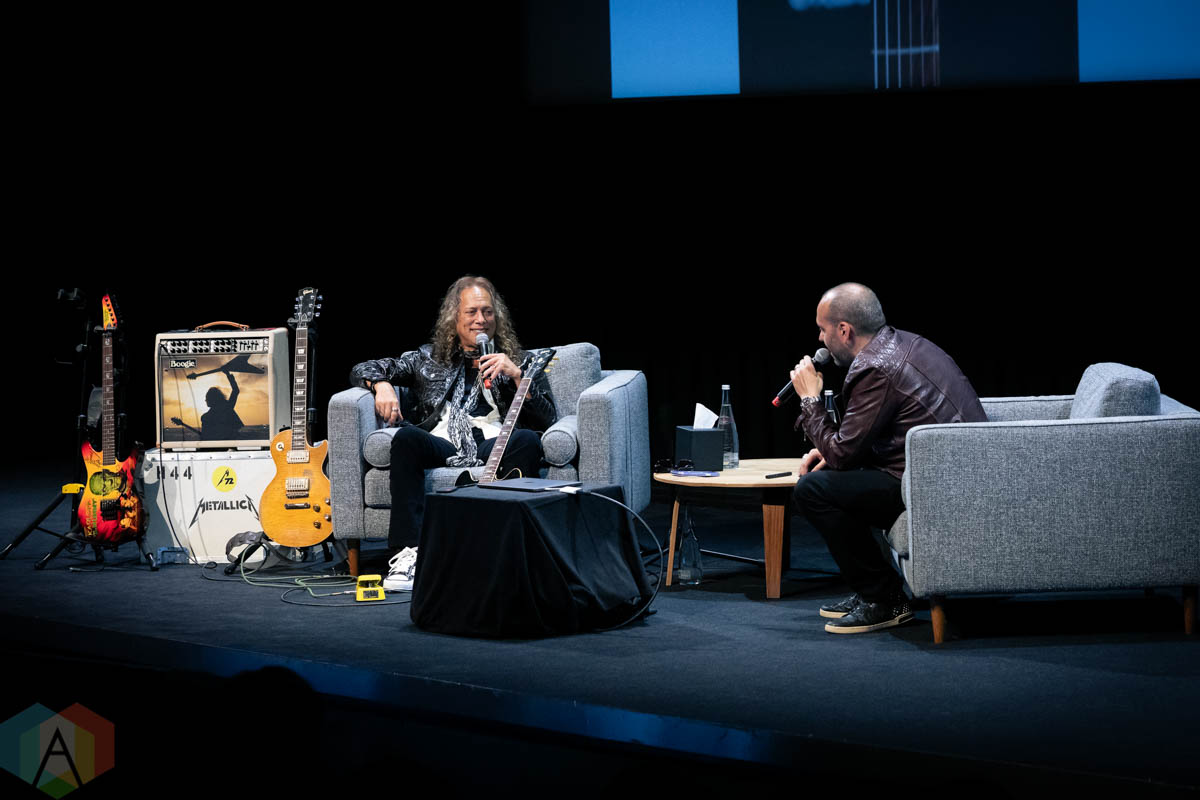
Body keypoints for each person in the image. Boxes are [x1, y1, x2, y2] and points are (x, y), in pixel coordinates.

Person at [789, 283, 986, 634]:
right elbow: (857, 438)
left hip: (935, 485)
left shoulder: (874, 368)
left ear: (844, 330)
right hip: (945, 471)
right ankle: (872, 591)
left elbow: (843, 455)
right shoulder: (904, 343)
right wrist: (831, 446)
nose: (820, 339)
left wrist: (809, 401)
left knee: (812, 490)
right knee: (828, 477)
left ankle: (884, 599)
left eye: (822, 329)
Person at [349, 276, 557, 590]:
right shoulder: (426, 358)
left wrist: (517, 377)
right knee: (405, 439)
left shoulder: (521, 361)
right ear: (455, 318)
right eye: (471, 312)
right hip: (442, 442)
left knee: (526, 440)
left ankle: (510, 549)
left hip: (491, 442)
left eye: (487, 312)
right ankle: (409, 554)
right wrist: (382, 384)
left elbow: (548, 419)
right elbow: (362, 367)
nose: (481, 320)